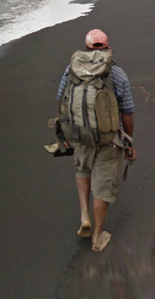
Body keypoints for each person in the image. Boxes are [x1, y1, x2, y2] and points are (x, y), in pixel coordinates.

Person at [56, 29, 136, 253]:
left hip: (80, 134)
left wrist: (66, 134)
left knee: (82, 170)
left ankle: (84, 217)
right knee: (102, 187)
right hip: (109, 139)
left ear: (86, 48)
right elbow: (127, 111)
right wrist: (129, 141)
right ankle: (98, 238)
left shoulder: (71, 69)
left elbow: (62, 101)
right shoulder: (117, 73)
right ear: (108, 47)